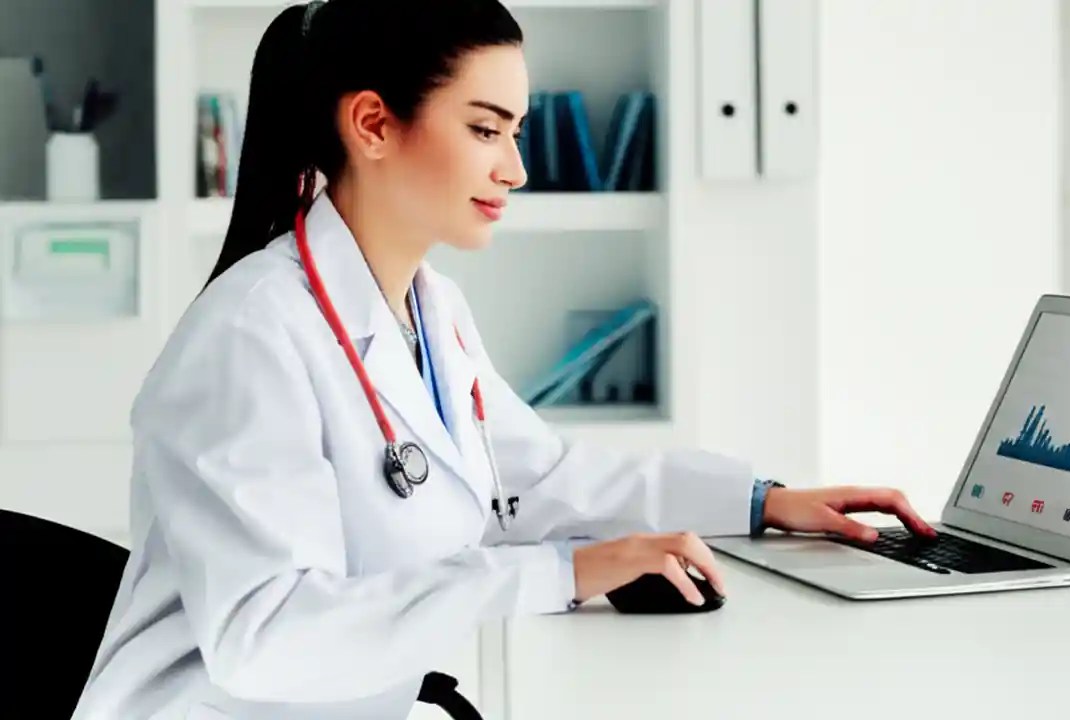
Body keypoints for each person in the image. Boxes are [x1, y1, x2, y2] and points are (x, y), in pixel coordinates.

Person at [71, 1, 935, 718]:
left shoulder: (429, 308)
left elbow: (536, 479)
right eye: (486, 129)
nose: (515, 168)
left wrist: (763, 502)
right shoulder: (249, 338)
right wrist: (559, 573)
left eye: (515, 131)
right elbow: (267, 638)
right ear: (373, 124)